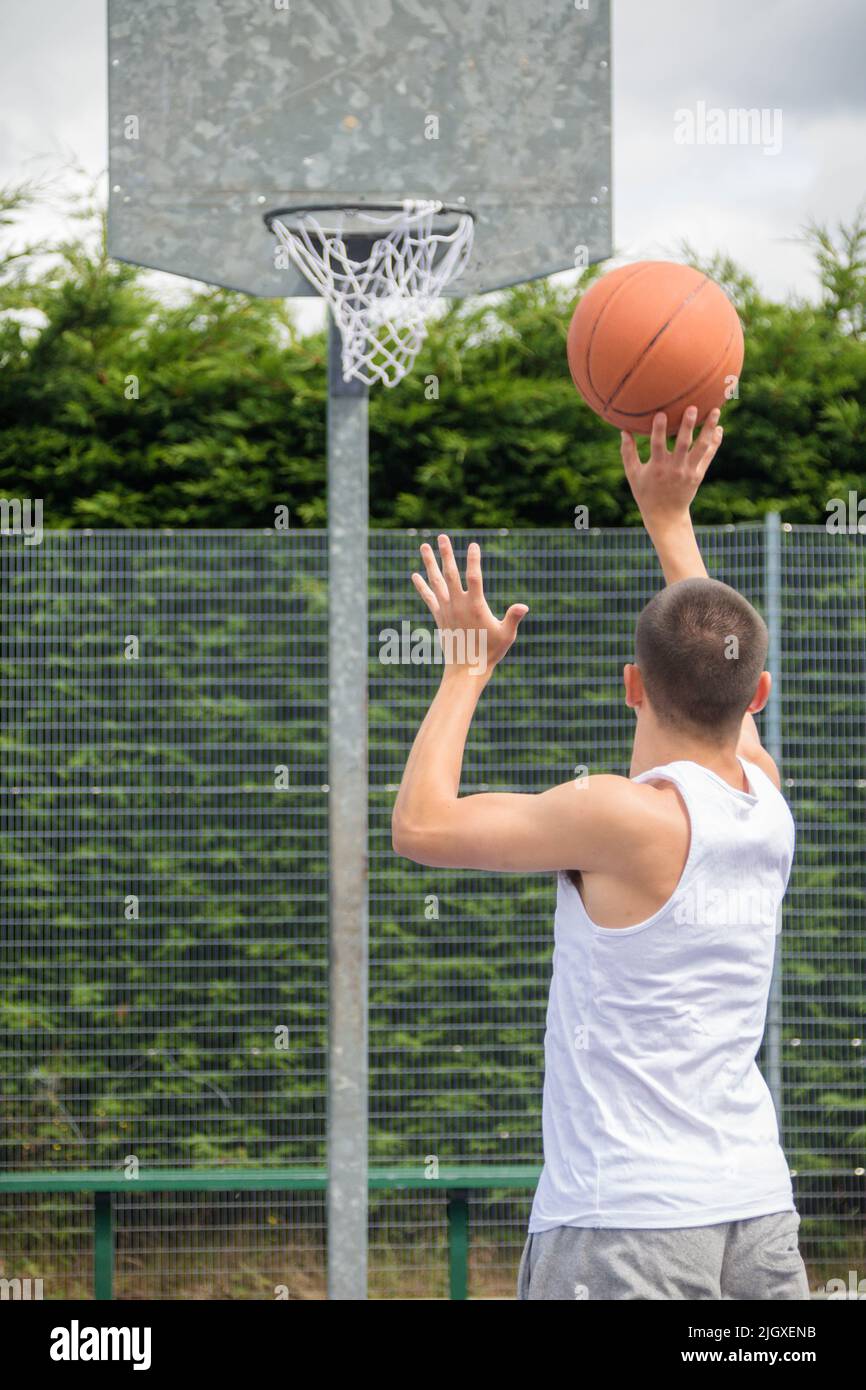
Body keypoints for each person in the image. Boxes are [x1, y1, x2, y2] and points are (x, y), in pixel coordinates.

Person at [391, 406, 810, 1300]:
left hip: (628, 1224)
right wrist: (670, 521)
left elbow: (421, 826)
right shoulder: (765, 803)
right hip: (757, 1216)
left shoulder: (621, 817)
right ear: (758, 695)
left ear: (632, 687)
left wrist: (466, 666)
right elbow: (719, 664)